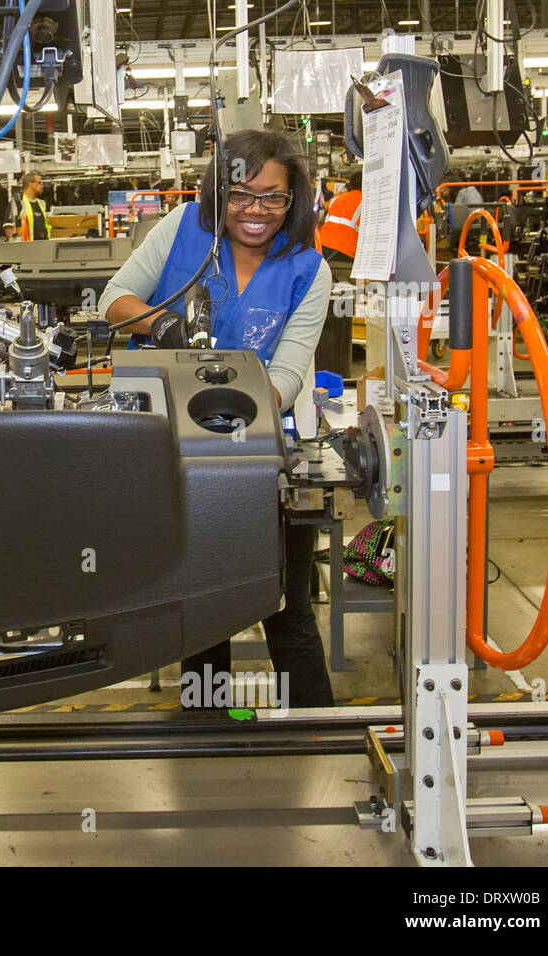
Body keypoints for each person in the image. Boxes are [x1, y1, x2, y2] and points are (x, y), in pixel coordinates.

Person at [98, 128, 335, 708]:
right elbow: (113, 299)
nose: (255, 211)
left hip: (269, 452)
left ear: (293, 200)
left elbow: (287, 374)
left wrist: (237, 416)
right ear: (218, 193)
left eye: (272, 197)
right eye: (240, 194)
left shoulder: (310, 269)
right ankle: (210, 731)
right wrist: (160, 324)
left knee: (288, 607)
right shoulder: (184, 229)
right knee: (204, 604)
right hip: (180, 453)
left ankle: (316, 736)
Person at [19, 171, 51, 240]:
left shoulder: (42, 203)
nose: (42, 186)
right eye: (39, 183)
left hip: (44, 245)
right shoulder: (18, 203)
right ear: (31, 184)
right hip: (28, 247)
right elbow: (9, 229)